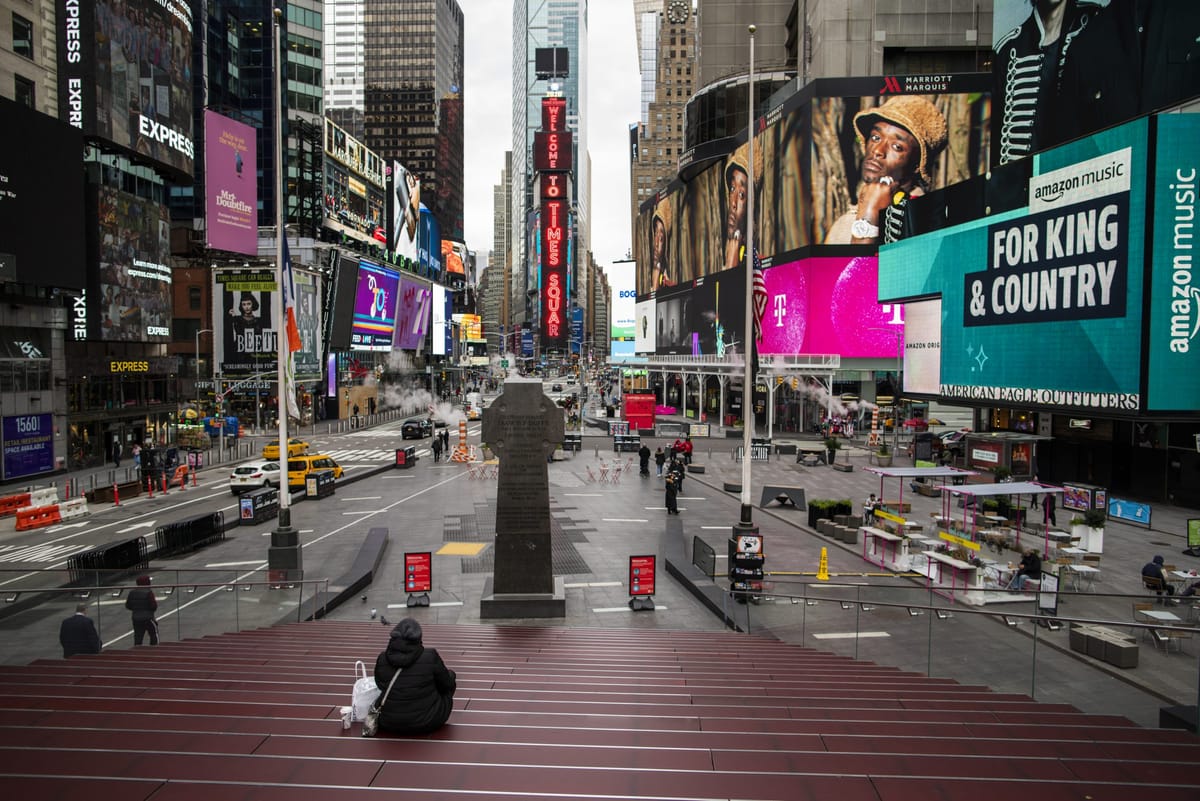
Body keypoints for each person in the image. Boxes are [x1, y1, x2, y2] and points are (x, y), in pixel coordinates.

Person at [824, 95, 948, 246]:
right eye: (876, 138)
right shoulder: (844, 223)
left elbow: (863, 270)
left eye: (897, 146)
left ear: (917, 165)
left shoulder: (926, 225)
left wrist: (869, 218)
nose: (877, 150)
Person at [372, 617, 456, 735]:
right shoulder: (430, 656)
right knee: (449, 678)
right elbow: (447, 684)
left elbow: (379, 684)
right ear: (418, 639)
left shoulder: (382, 658)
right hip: (427, 721)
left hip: (389, 722)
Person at [125, 575, 159, 646]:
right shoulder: (149, 592)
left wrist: (136, 609)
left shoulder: (132, 593)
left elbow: (128, 605)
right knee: (154, 634)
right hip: (148, 617)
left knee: (138, 636)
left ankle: (137, 651)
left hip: (136, 618)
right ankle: (154, 649)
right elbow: (153, 606)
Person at [648, 201, 675, 290]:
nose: (656, 243)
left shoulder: (669, 283)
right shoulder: (646, 278)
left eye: (661, 238)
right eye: (655, 233)